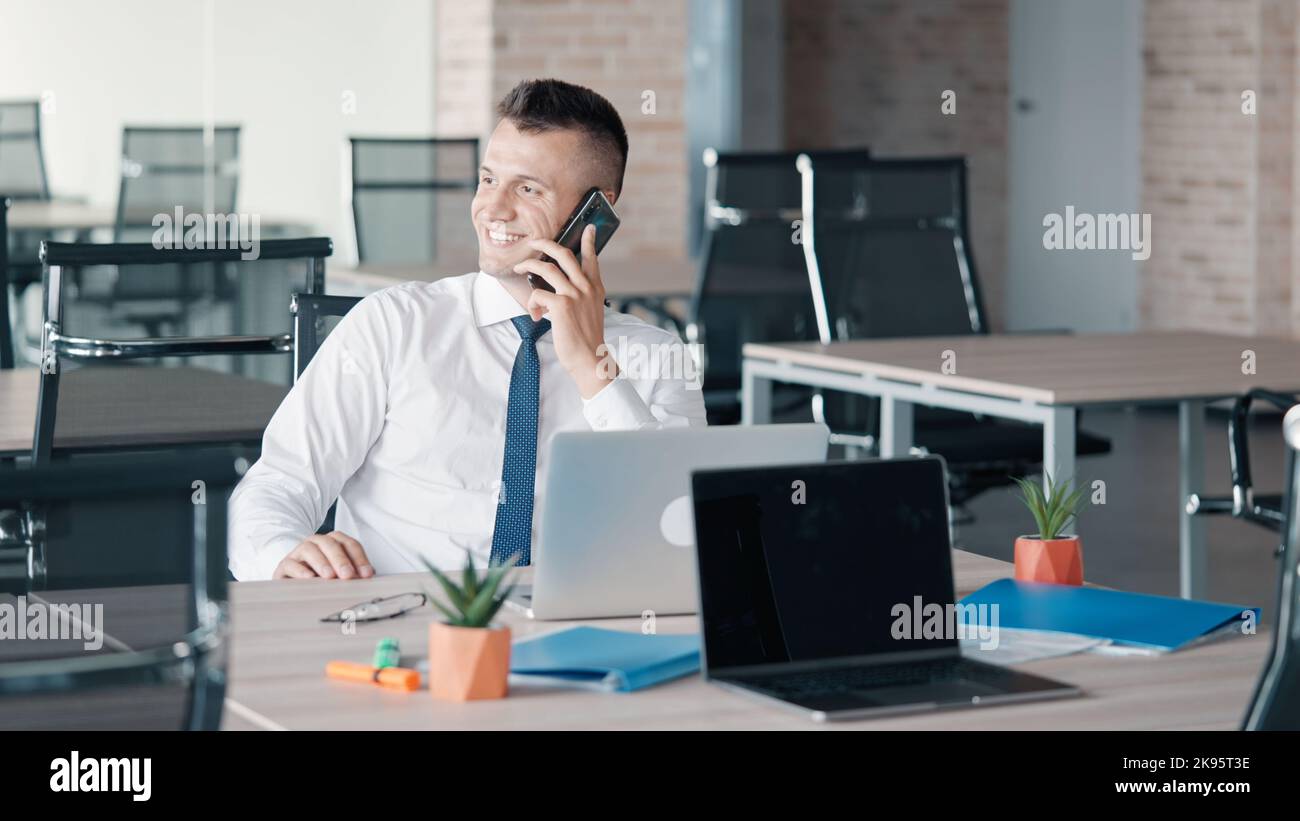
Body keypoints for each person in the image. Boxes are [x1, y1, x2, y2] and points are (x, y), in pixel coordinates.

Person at [228, 78, 706, 580]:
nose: (493, 210)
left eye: (527, 188)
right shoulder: (393, 325)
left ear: (596, 212)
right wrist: (283, 554)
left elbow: (686, 532)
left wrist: (593, 370)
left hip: (580, 633)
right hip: (401, 625)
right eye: (487, 180)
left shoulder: (655, 356)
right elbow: (278, 484)